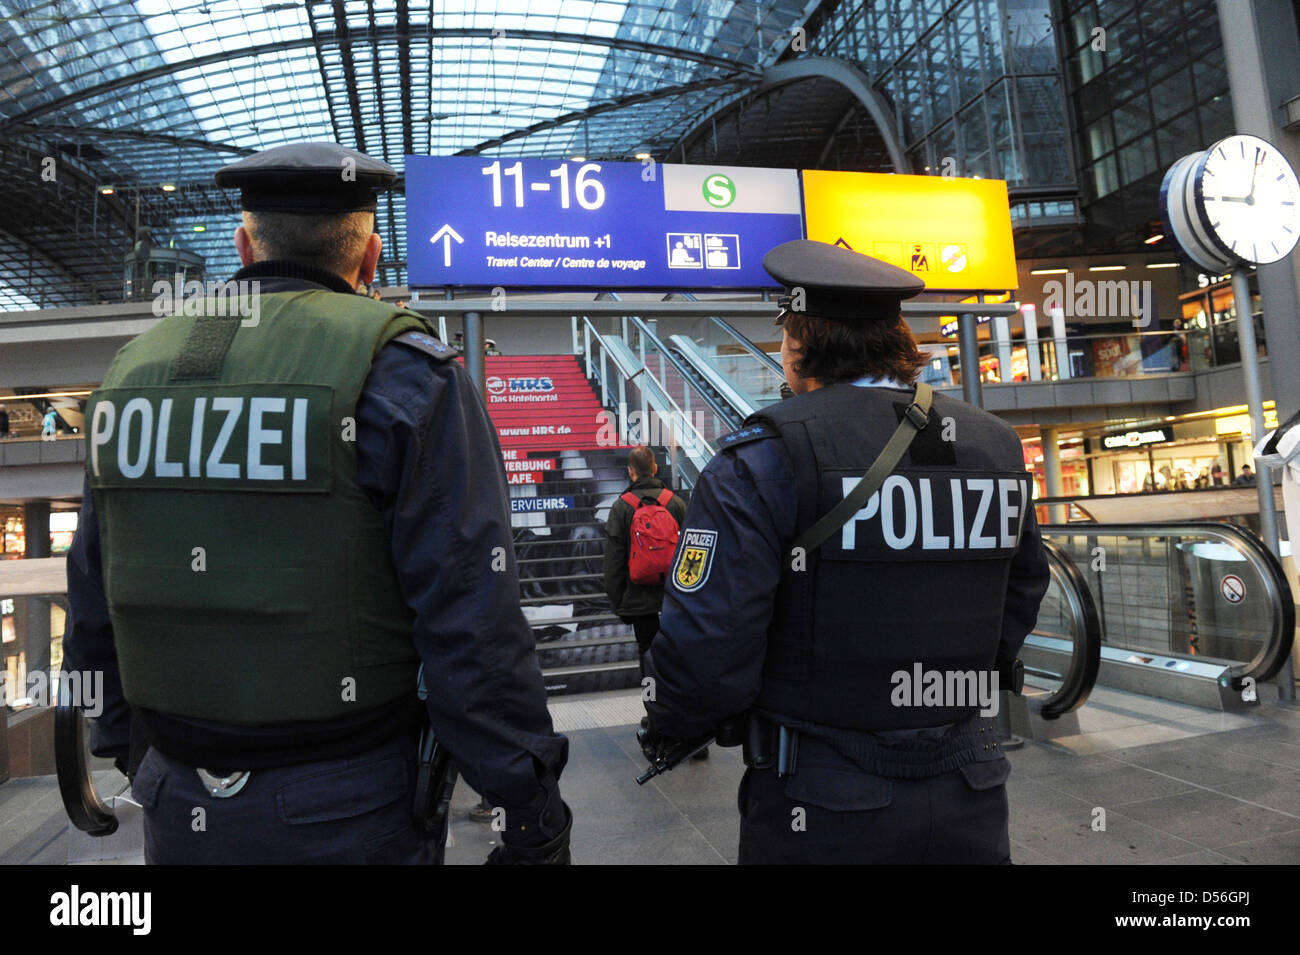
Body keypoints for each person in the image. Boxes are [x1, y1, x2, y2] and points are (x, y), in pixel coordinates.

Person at [63, 142, 571, 865]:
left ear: (244, 246)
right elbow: (470, 616)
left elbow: (92, 590)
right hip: (351, 798)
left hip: (178, 799)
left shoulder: (132, 373)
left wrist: (128, 745)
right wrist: (527, 800)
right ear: (370, 260)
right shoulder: (404, 372)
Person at [639, 239, 1051, 864]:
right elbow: (1023, 588)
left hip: (821, 795)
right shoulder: (993, 445)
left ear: (801, 344)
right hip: (972, 784)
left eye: (783, 337)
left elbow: (709, 639)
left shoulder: (761, 458)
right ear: (895, 339)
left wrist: (670, 727)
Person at [602, 446, 690, 743]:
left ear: (631, 471)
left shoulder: (622, 506)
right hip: (676, 599)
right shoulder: (675, 503)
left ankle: (656, 720)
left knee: (649, 659)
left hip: (640, 601)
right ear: (654, 469)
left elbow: (614, 561)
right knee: (680, 659)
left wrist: (619, 601)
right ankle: (687, 721)